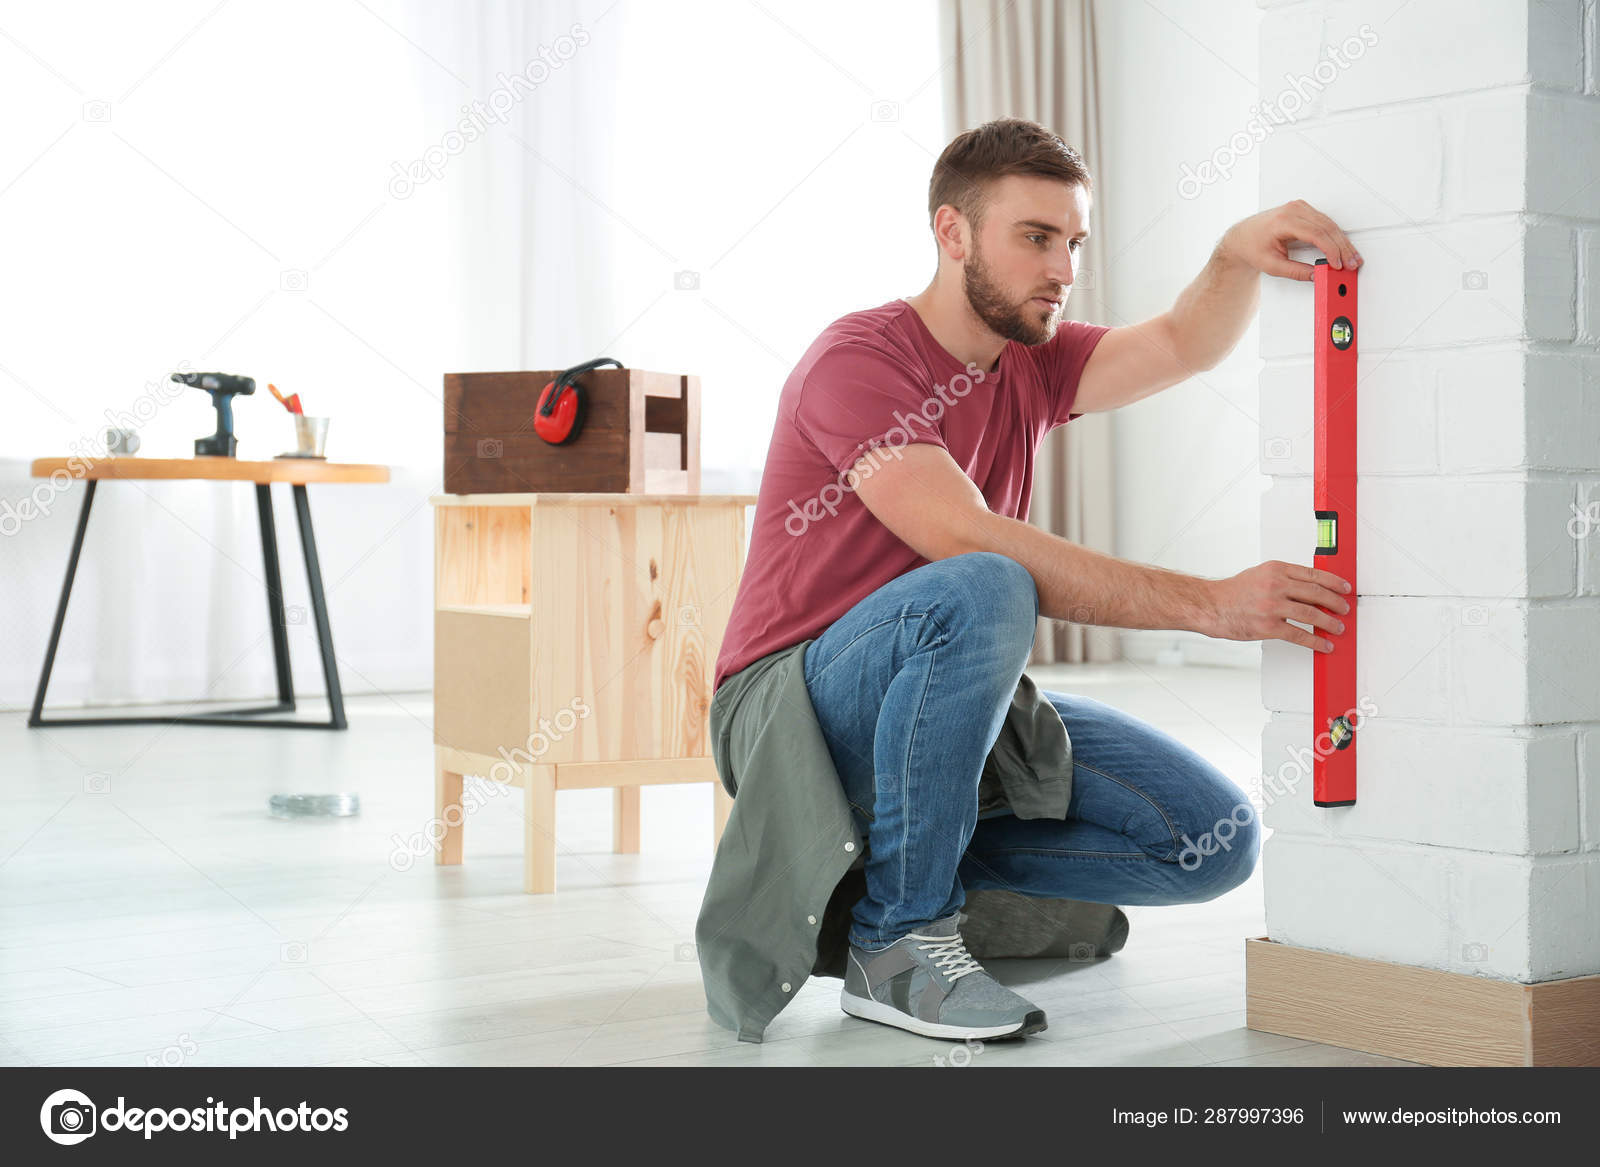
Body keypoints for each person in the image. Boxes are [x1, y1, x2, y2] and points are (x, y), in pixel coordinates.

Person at [710, 116, 1360, 1042]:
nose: (1063, 267)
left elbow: (1182, 341)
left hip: (946, 706)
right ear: (953, 232)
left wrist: (1233, 257)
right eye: (1036, 237)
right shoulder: (859, 360)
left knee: (1208, 842)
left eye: (1073, 242)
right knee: (987, 580)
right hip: (792, 712)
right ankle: (897, 943)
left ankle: (897, 875)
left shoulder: (1034, 365)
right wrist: (1210, 605)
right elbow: (964, 539)